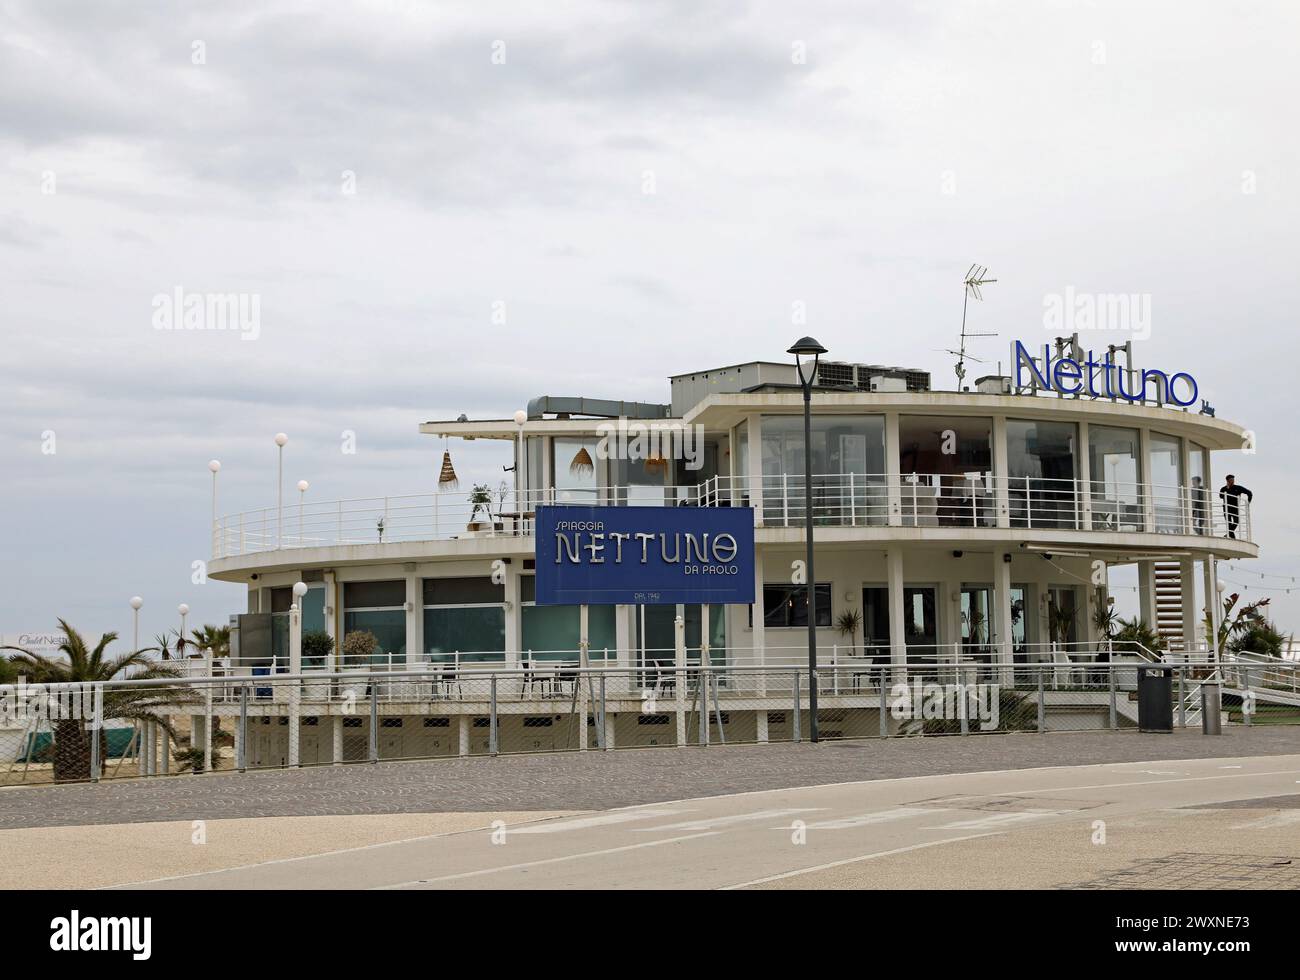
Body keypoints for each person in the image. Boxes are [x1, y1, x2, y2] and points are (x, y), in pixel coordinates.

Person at [1219, 474, 1253, 539]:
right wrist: (1227, 489)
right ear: (1227, 481)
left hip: (1235, 508)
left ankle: (1228, 534)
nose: (1232, 481)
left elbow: (1249, 493)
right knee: (1229, 524)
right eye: (1231, 480)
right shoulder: (1223, 489)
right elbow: (1220, 496)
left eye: (1233, 480)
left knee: (1236, 522)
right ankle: (1233, 538)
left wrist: (1248, 502)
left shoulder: (1238, 488)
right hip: (1226, 508)